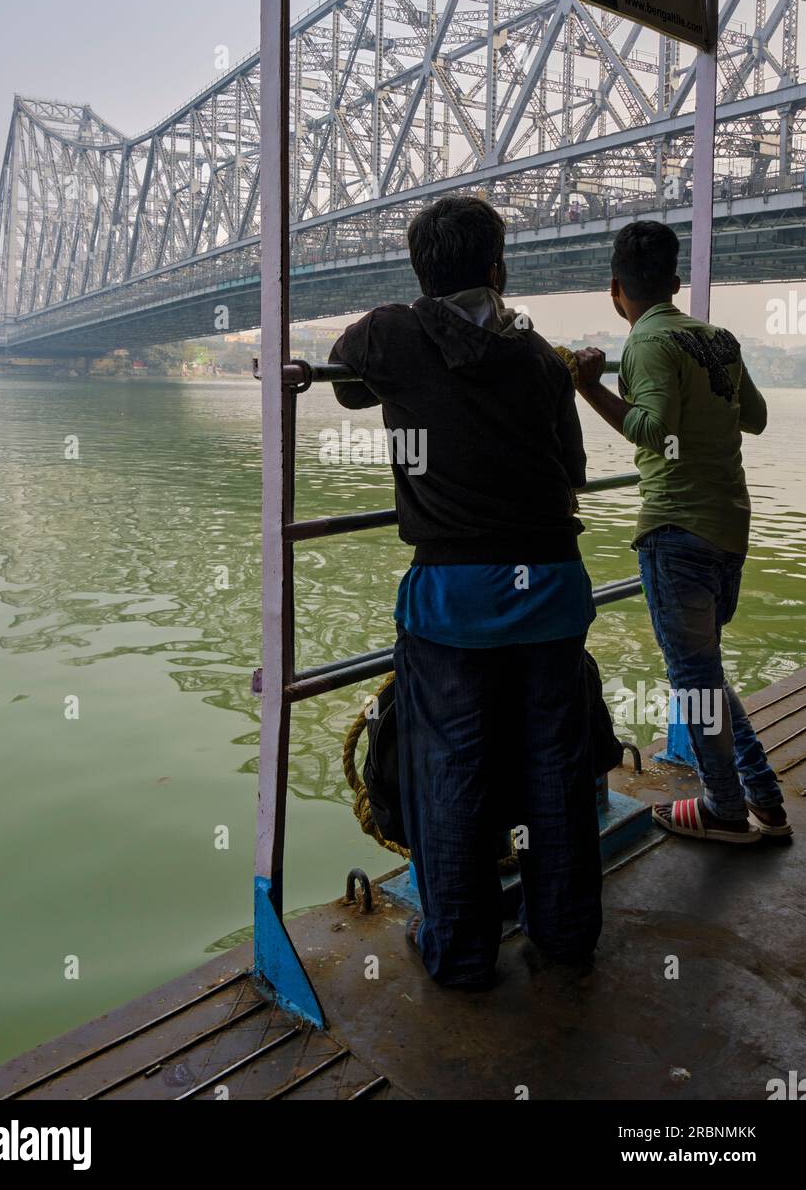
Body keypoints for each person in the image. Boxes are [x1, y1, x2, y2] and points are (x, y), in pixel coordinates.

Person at [329, 195, 602, 990]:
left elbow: (348, 387)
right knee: (556, 764)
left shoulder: (389, 332)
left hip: (454, 595)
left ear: (421, 270)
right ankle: (566, 936)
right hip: (551, 586)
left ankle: (460, 952)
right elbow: (574, 474)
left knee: (452, 767)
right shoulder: (545, 359)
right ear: (497, 267)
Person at [573, 219, 791, 845]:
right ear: (673, 281)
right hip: (730, 527)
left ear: (616, 288)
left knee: (695, 680)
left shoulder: (645, 343)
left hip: (675, 529)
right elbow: (755, 416)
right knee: (706, 675)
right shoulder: (718, 338)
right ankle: (765, 802)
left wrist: (589, 387)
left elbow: (651, 430)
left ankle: (725, 810)